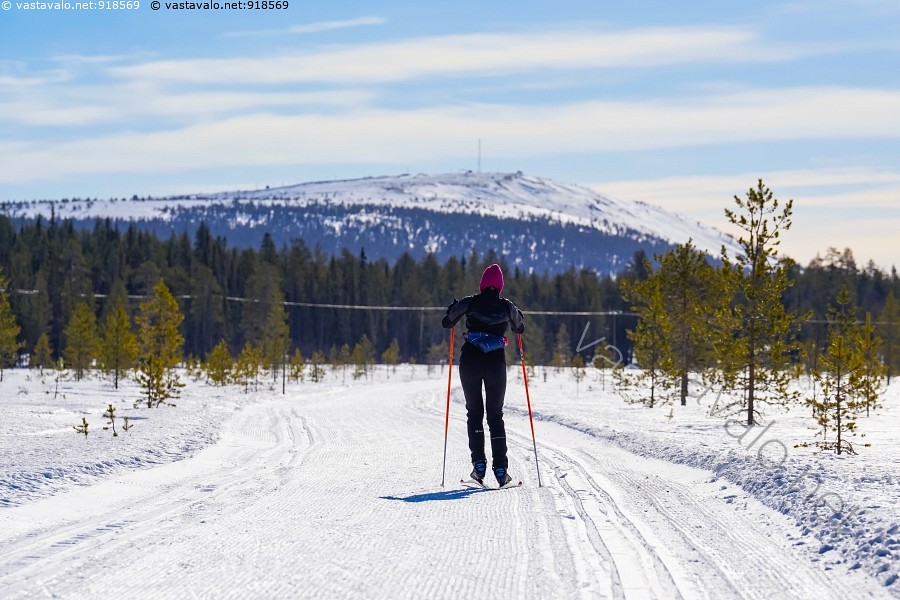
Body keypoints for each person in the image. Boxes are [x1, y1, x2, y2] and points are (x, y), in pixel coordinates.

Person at [442, 263, 525, 487]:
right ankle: (501, 471)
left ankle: (478, 467)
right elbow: (519, 328)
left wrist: (452, 310)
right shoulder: (507, 306)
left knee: (474, 412)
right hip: (495, 362)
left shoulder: (471, 301)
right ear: (499, 286)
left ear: (482, 284)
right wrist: (515, 314)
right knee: (495, 415)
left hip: (470, 359)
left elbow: (447, 322)